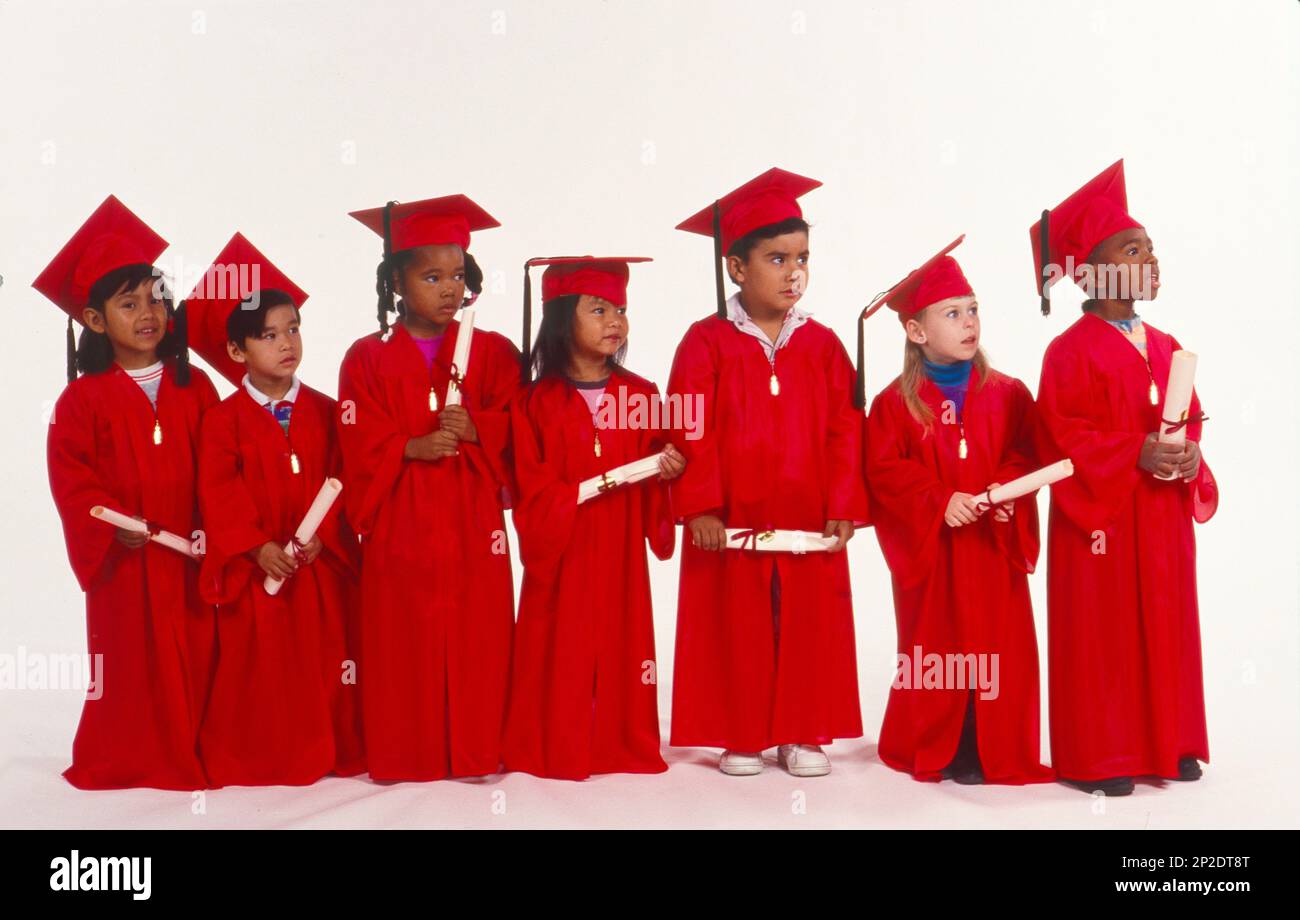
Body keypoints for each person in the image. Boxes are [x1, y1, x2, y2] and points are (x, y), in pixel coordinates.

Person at [667, 168, 868, 777]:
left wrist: (843, 500)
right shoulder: (706, 342)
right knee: (739, 624)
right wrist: (699, 504)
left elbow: (844, 428)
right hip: (734, 520)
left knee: (807, 621)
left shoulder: (825, 344)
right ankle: (744, 733)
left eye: (803, 257)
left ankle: (802, 733)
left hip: (807, 516)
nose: (794, 272)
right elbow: (687, 426)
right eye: (777, 258)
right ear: (736, 268)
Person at [1032, 160, 1218, 795]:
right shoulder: (1070, 351)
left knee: (1166, 623)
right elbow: (1057, 436)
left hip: (1159, 517)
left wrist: (1189, 452)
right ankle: (1103, 755)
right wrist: (1131, 452)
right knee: (1105, 632)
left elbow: (1188, 417)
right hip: (1102, 523)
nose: (1153, 259)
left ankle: (1167, 743)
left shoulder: (1166, 343)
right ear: (1091, 270)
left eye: (1153, 248)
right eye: (1134, 249)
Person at [37, 195, 219, 789]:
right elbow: (73, 482)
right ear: (94, 321)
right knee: (128, 661)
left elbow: (223, 465)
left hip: (192, 555)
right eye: (128, 302)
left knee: (200, 652)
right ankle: (128, 757)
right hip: (124, 560)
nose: (149, 313)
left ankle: (203, 751)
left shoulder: (196, 388)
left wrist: (217, 530)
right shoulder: (81, 400)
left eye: (155, 298)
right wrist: (107, 524)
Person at [861, 237, 1053, 785]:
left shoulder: (1009, 393)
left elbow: (1027, 452)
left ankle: (992, 744)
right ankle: (944, 742)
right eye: (952, 313)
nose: (969, 322)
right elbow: (884, 471)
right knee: (937, 641)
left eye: (973, 310)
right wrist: (938, 500)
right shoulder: (894, 404)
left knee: (999, 642)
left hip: (993, 548)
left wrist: (1006, 491)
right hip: (935, 553)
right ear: (916, 331)